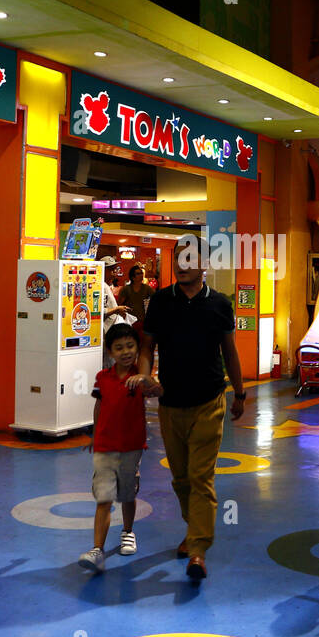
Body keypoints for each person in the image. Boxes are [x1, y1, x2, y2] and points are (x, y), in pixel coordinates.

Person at [137, 235, 245, 583]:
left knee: (201, 478)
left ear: (203, 264)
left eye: (190, 259)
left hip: (209, 401)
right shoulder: (160, 302)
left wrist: (240, 393)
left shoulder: (219, 304)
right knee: (181, 479)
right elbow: (147, 346)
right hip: (170, 404)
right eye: (179, 259)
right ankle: (193, 529)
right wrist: (143, 377)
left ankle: (198, 550)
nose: (183, 265)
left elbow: (229, 351)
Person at [78, 323, 163, 573]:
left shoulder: (141, 377)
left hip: (132, 447)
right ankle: (97, 549)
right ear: (110, 352)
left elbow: (159, 392)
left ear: (138, 348)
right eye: (118, 348)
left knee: (127, 494)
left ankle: (128, 531)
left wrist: (150, 382)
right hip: (105, 447)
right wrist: (95, 433)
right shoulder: (102, 378)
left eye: (130, 346)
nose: (125, 352)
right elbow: (99, 406)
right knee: (103, 497)